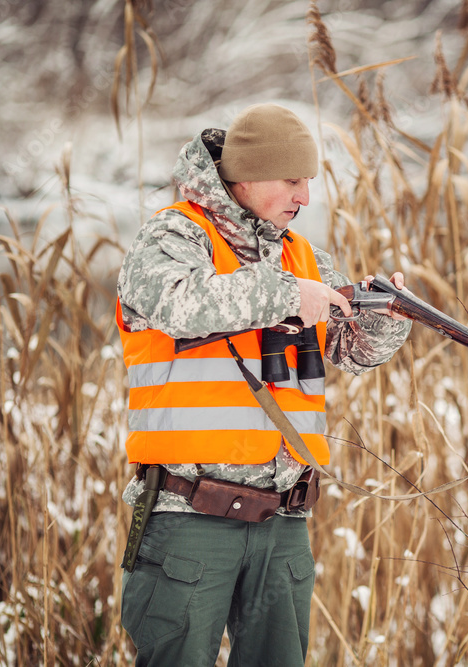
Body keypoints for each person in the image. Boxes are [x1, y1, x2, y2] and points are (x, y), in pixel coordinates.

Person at [115, 103, 411, 666]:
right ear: (246, 175)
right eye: (293, 180)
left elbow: (350, 351)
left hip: (284, 522)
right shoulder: (174, 235)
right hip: (189, 520)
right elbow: (175, 303)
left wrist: (382, 321)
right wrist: (285, 297)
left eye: (309, 183)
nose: (305, 197)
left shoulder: (301, 254)